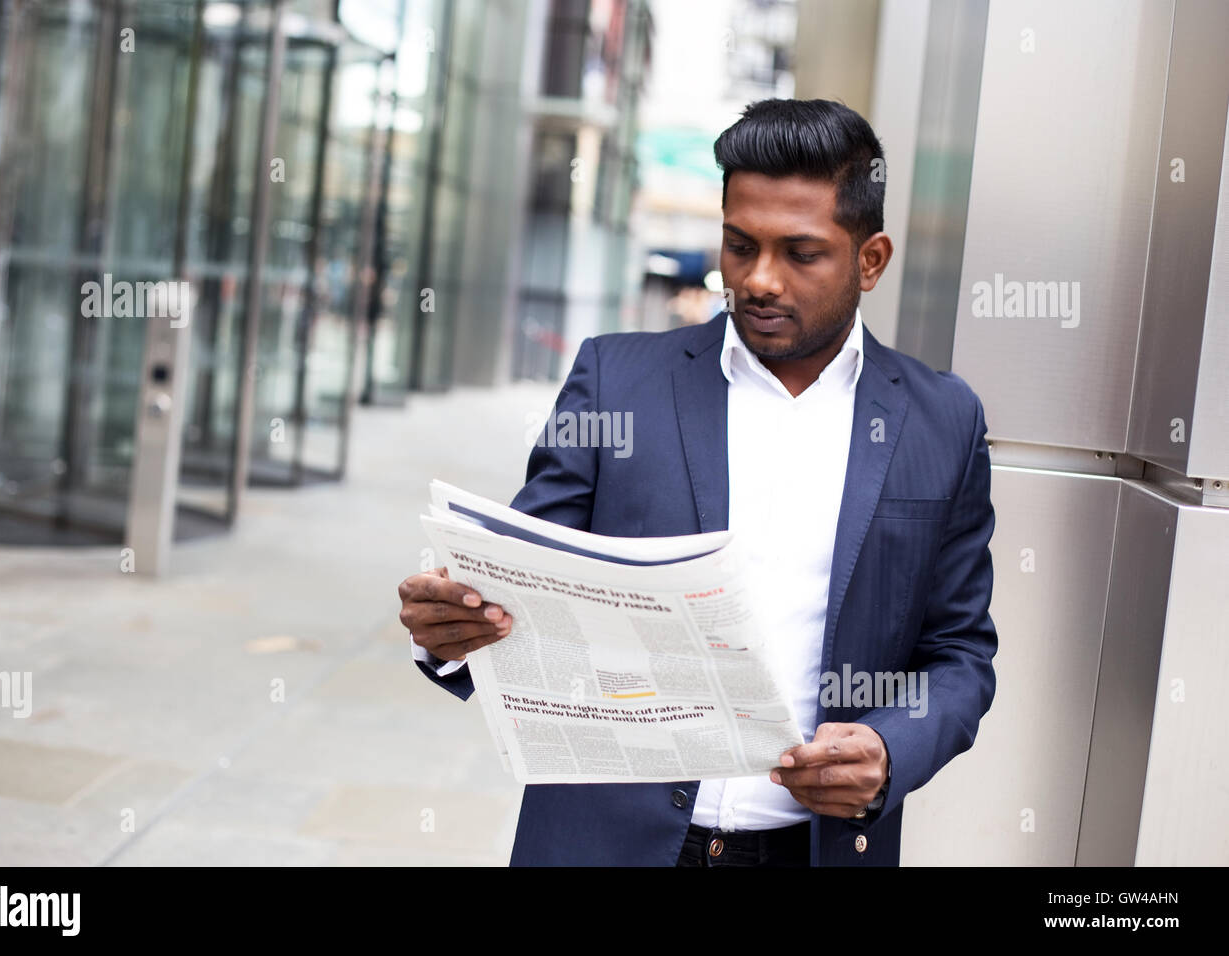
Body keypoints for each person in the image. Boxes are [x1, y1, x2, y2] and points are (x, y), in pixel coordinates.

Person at [397, 98, 998, 867]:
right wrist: (455, 626)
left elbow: (958, 653)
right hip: (602, 843)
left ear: (870, 260)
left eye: (801, 253)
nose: (758, 280)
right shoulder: (616, 380)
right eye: (739, 245)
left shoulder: (940, 420)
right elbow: (517, 581)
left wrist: (889, 748)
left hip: (808, 850)